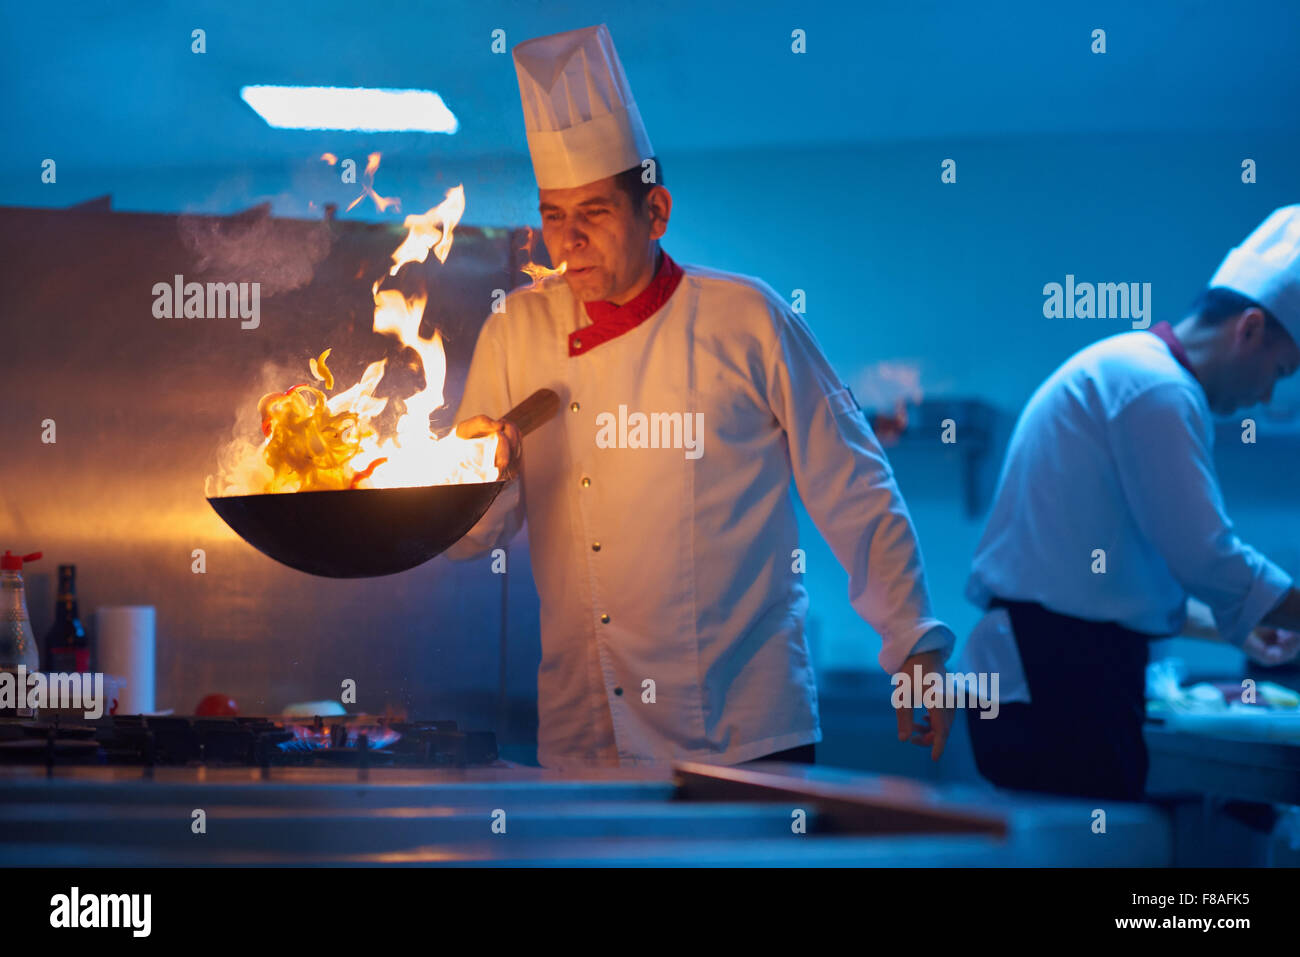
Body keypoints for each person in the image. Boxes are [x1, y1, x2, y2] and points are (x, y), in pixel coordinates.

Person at [447, 24, 955, 768]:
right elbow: (474, 538)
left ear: (655, 212)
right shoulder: (515, 330)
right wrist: (470, 479)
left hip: (745, 735)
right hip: (586, 738)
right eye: (554, 215)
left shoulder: (748, 318)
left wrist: (913, 644)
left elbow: (854, 483)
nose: (568, 242)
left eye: (593, 213)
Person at [963, 205, 1300, 801]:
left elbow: (1121, 578)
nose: (1268, 395)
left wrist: (1236, 631)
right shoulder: (1157, 386)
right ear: (1249, 328)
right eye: (1279, 371)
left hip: (1048, 672)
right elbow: (1205, 557)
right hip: (1059, 682)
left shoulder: (1133, 371)